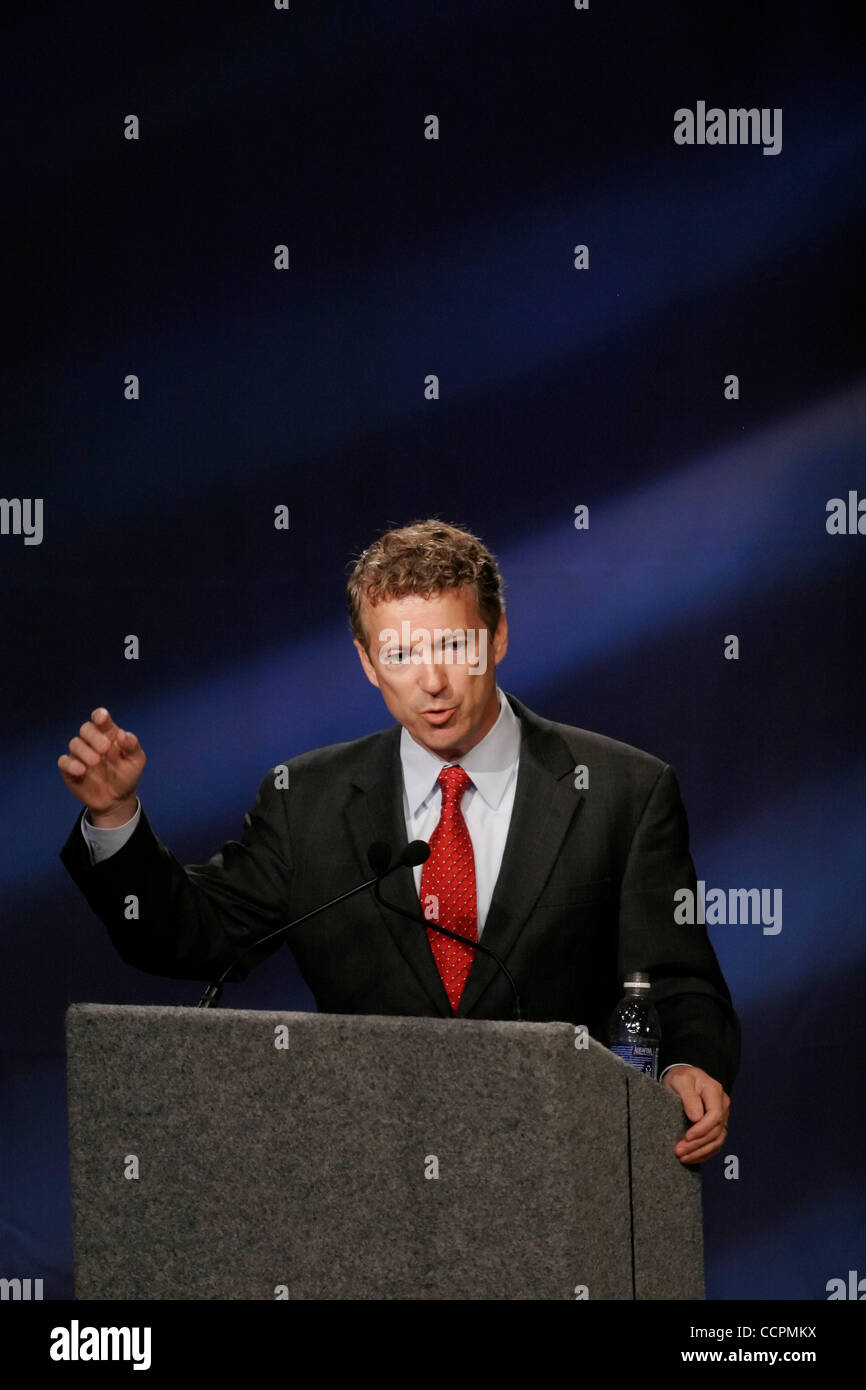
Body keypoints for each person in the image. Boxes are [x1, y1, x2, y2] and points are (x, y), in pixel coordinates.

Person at [58, 519, 738, 1165]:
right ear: (366, 662)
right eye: (402, 654)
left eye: (451, 646)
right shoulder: (308, 803)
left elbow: (677, 984)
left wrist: (686, 1064)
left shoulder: (622, 791)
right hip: (371, 1192)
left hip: (567, 1179)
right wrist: (118, 819)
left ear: (497, 636)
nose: (432, 681)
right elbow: (190, 937)